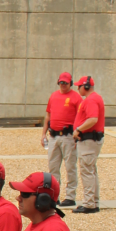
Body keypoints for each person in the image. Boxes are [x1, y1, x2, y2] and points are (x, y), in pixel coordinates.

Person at [41, 73, 82, 207]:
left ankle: (70, 196)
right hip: (53, 136)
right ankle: (54, 195)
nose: (63, 85)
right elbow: (48, 116)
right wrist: (43, 134)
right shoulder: (53, 96)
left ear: (70, 83)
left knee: (70, 166)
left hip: (68, 136)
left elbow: (81, 117)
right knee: (53, 167)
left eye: (66, 83)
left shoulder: (76, 97)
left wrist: (77, 135)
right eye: (61, 83)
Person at [72, 76, 105, 214]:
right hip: (90, 140)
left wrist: (78, 130)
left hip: (89, 140)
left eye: (79, 86)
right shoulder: (94, 98)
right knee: (91, 171)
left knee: (87, 171)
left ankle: (89, 203)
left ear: (85, 87)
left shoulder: (91, 100)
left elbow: (92, 119)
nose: (78, 88)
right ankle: (92, 201)